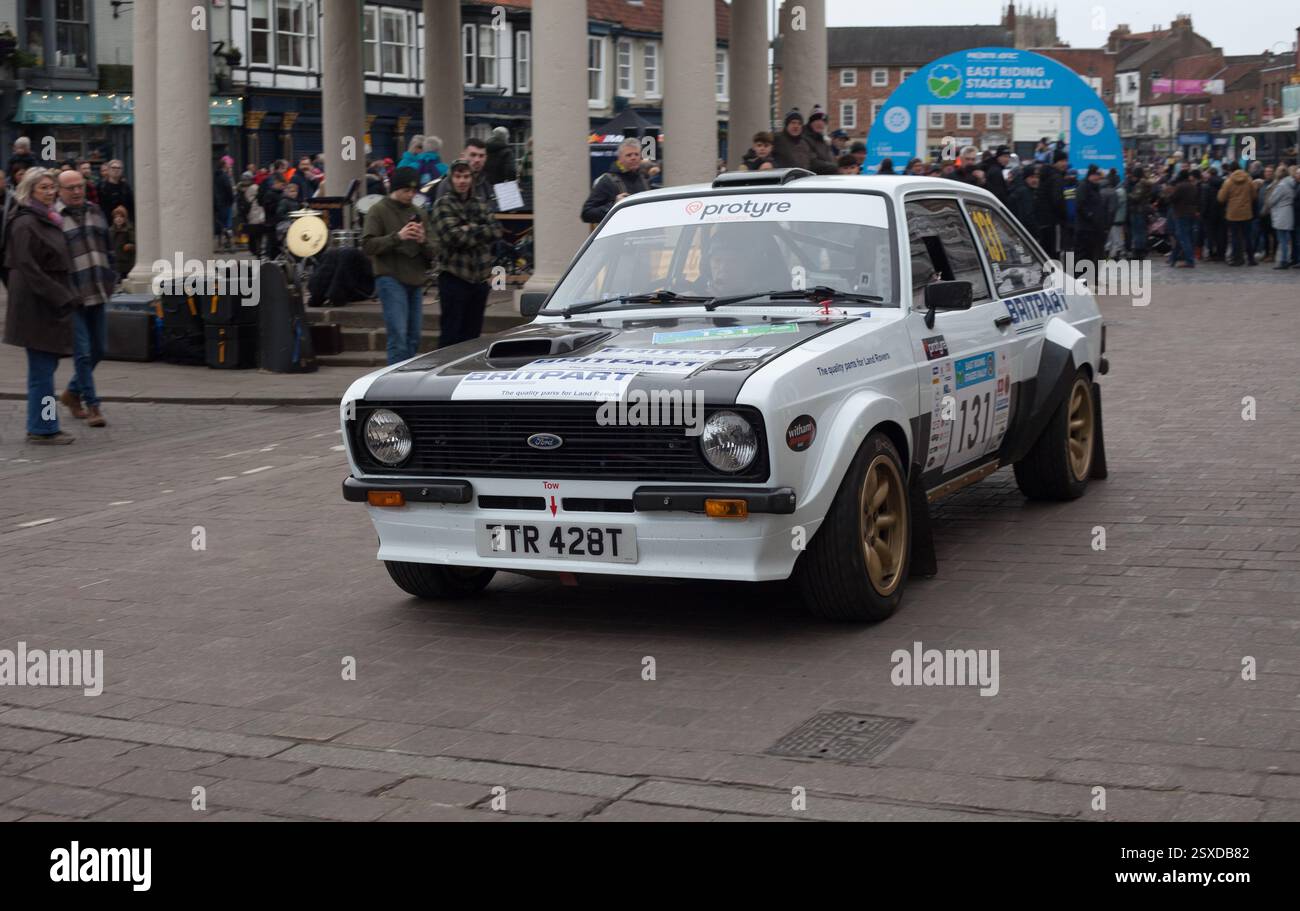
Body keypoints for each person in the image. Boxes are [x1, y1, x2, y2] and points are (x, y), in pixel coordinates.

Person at [2, 169, 79, 445]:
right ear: (30, 191)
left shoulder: (46, 219)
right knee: (42, 373)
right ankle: (43, 428)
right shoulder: (25, 223)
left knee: (45, 370)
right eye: (43, 188)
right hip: (36, 308)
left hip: (47, 306)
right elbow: (27, 267)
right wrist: (60, 294)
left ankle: (43, 425)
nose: (50, 192)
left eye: (51, 187)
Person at [55, 169, 115, 428]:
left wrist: (113, 276)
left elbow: (108, 246)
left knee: (99, 349)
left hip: (98, 289)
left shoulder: (95, 211)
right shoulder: (55, 218)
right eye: (70, 188)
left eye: (79, 186)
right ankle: (93, 406)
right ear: (60, 191)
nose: (77, 191)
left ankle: (72, 393)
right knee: (82, 353)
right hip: (74, 295)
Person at [362, 167, 437, 364]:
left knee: (414, 337)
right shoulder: (378, 210)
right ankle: (393, 386)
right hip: (390, 277)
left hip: (415, 278)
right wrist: (398, 237)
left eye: (414, 191)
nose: (411, 195)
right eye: (406, 190)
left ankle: (406, 379)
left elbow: (434, 251)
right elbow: (368, 245)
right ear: (395, 188)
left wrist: (422, 240)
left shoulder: (419, 212)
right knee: (399, 336)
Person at [432, 159, 502, 349]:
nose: (462, 181)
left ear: (471, 178)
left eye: (466, 176)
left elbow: (496, 231)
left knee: (473, 336)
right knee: (451, 334)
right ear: (451, 179)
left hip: (479, 280)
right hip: (454, 277)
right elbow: (453, 238)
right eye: (457, 176)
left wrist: (467, 227)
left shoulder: (480, 203)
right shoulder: (442, 204)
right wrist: (479, 229)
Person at [581, 138, 652, 224]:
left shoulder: (644, 179)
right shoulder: (607, 181)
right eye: (629, 155)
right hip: (620, 235)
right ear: (620, 159)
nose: (633, 158)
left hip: (643, 233)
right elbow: (586, 213)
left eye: (636, 154)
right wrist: (614, 206)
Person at [771, 110, 837, 174]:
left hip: (803, 180)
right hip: (784, 180)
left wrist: (833, 167)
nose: (796, 126)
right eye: (793, 123)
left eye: (799, 124)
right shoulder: (778, 139)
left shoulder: (804, 143)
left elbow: (812, 161)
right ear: (787, 124)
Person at [434, 138, 493, 208]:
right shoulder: (447, 183)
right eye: (473, 155)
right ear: (463, 157)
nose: (477, 160)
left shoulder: (486, 182)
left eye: (481, 156)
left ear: (486, 158)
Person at [1218, 162, 1257, 266]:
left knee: (1235, 237)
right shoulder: (1248, 180)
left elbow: (1221, 198)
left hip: (1232, 214)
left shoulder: (1229, 181)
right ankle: (1251, 259)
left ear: (1231, 170)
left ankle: (1237, 259)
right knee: (1247, 237)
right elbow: (1254, 196)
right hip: (1246, 213)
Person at [1074, 165, 1108, 268]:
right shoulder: (1083, 186)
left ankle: (1091, 277)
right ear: (1090, 175)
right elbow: (1080, 205)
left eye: (1098, 175)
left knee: (1092, 254)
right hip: (1085, 228)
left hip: (1094, 228)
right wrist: (1090, 215)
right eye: (1096, 175)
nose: (1098, 178)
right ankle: (1080, 277)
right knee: (1083, 254)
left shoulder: (1095, 188)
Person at [1163, 169, 1198, 268]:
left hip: (1181, 213)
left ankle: (1190, 260)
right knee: (1182, 237)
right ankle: (1173, 258)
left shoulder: (1180, 186)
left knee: (1183, 237)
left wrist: (1167, 195)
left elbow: (1172, 198)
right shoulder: (1193, 186)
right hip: (1191, 213)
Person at [1264, 164, 1295, 270]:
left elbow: (1272, 200)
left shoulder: (1282, 185)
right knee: (1286, 239)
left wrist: (1268, 202)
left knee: (1282, 240)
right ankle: (1285, 259)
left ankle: (1283, 261)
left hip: (1281, 214)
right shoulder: (1291, 183)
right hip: (1288, 212)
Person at [1125, 166, 1152, 259]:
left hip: (1138, 210)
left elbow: (1136, 197)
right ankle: (1141, 250)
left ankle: (1138, 251)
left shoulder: (1141, 184)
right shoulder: (1145, 183)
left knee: (1137, 231)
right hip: (1143, 209)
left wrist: (1127, 194)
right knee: (1142, 231)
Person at [1007, 166, 1040, 238]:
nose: (1035, 180)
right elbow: (1028, 216)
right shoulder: (1024, 192)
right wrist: (1037, 233)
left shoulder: (1021, 189)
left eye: (1037, 177)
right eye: (1031, 177)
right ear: (1025, 178)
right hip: (1025, 234)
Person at [214, 156, 236, 253]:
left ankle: (221, 245)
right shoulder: (225, 176)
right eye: (228, 164)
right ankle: (231, 245)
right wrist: (231, 200)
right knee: (228, 225)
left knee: (221, 224)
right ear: (224, 165)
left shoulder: (216, 176)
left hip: (218, 203)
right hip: (226, 203)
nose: (230, 166)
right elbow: (229, 190)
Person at [110, 205, 135, 285]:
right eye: (116, 217)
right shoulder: (111, 231)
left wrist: (130, 246)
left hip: (126, 262)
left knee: (125, 280)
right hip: (115, 261)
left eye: (121, 217)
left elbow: (134, 243)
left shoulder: (129, 229)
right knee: (116, 281)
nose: (118, 219)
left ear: (125, 218)